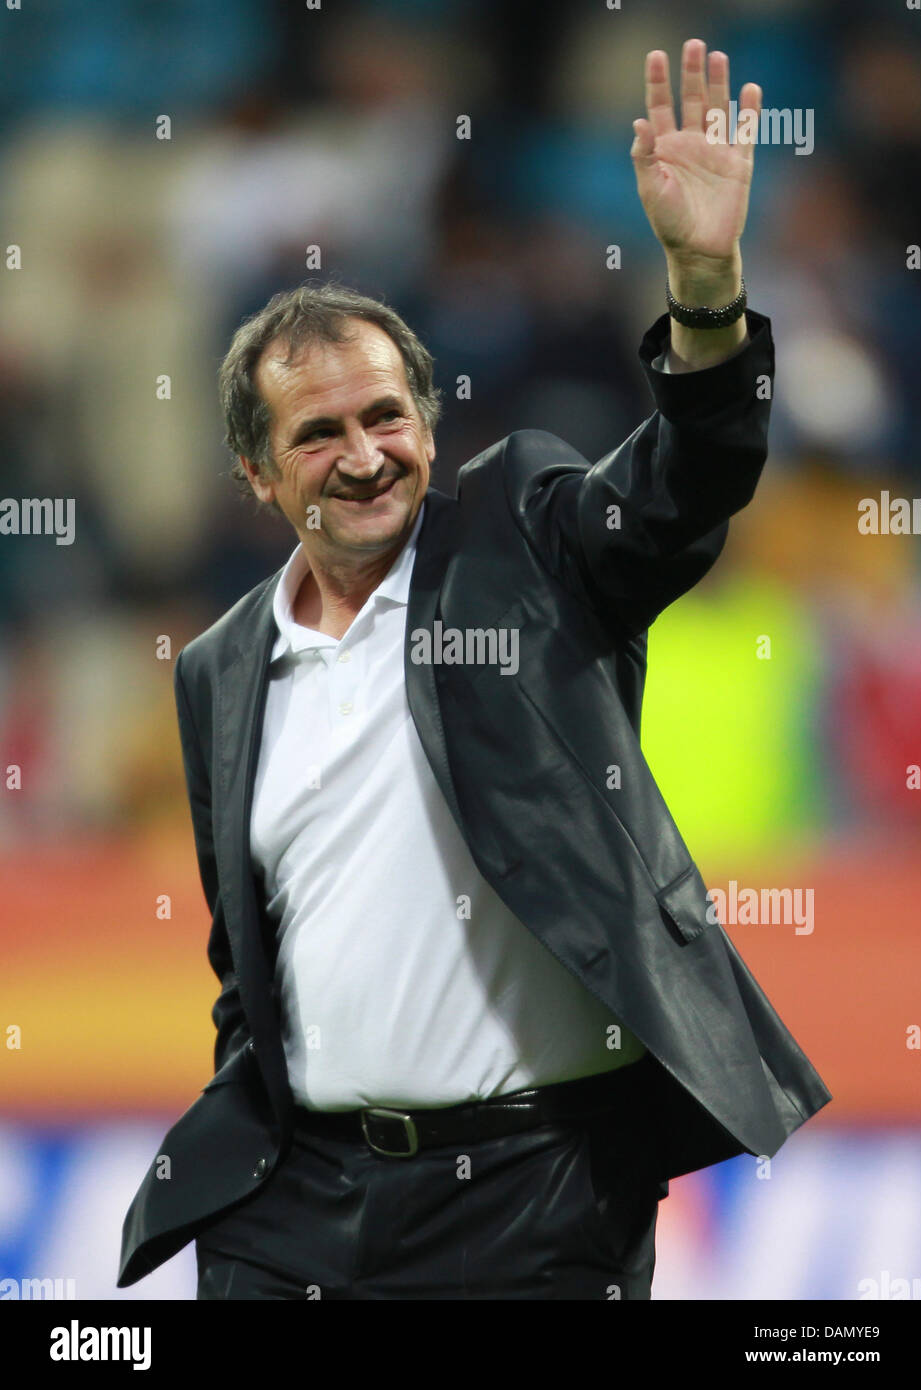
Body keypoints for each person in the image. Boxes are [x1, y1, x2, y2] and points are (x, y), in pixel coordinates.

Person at [118, 39, 830, 1299]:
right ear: (257, 474)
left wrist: (705, 286)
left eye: (387, 416)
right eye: (319, 432)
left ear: (429, 425)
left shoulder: (523, 534)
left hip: (533, 1202)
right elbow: (250, 968)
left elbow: (685, 485)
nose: (364, 453)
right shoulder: (221, 667)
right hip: (295, 1212)